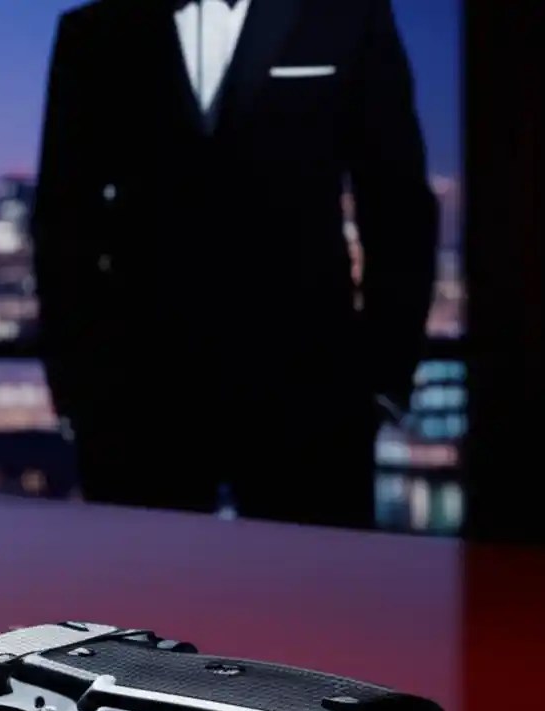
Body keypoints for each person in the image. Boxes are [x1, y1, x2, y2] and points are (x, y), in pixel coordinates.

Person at [32, 0, 437, 528]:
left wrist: (384, 382)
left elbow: (397, 201)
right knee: (140, 600)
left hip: (311, 399)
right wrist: (77, 391)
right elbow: (63, 222)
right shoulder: (93, 33)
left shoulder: (343, 19)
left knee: (314, 603)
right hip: (139, 402)